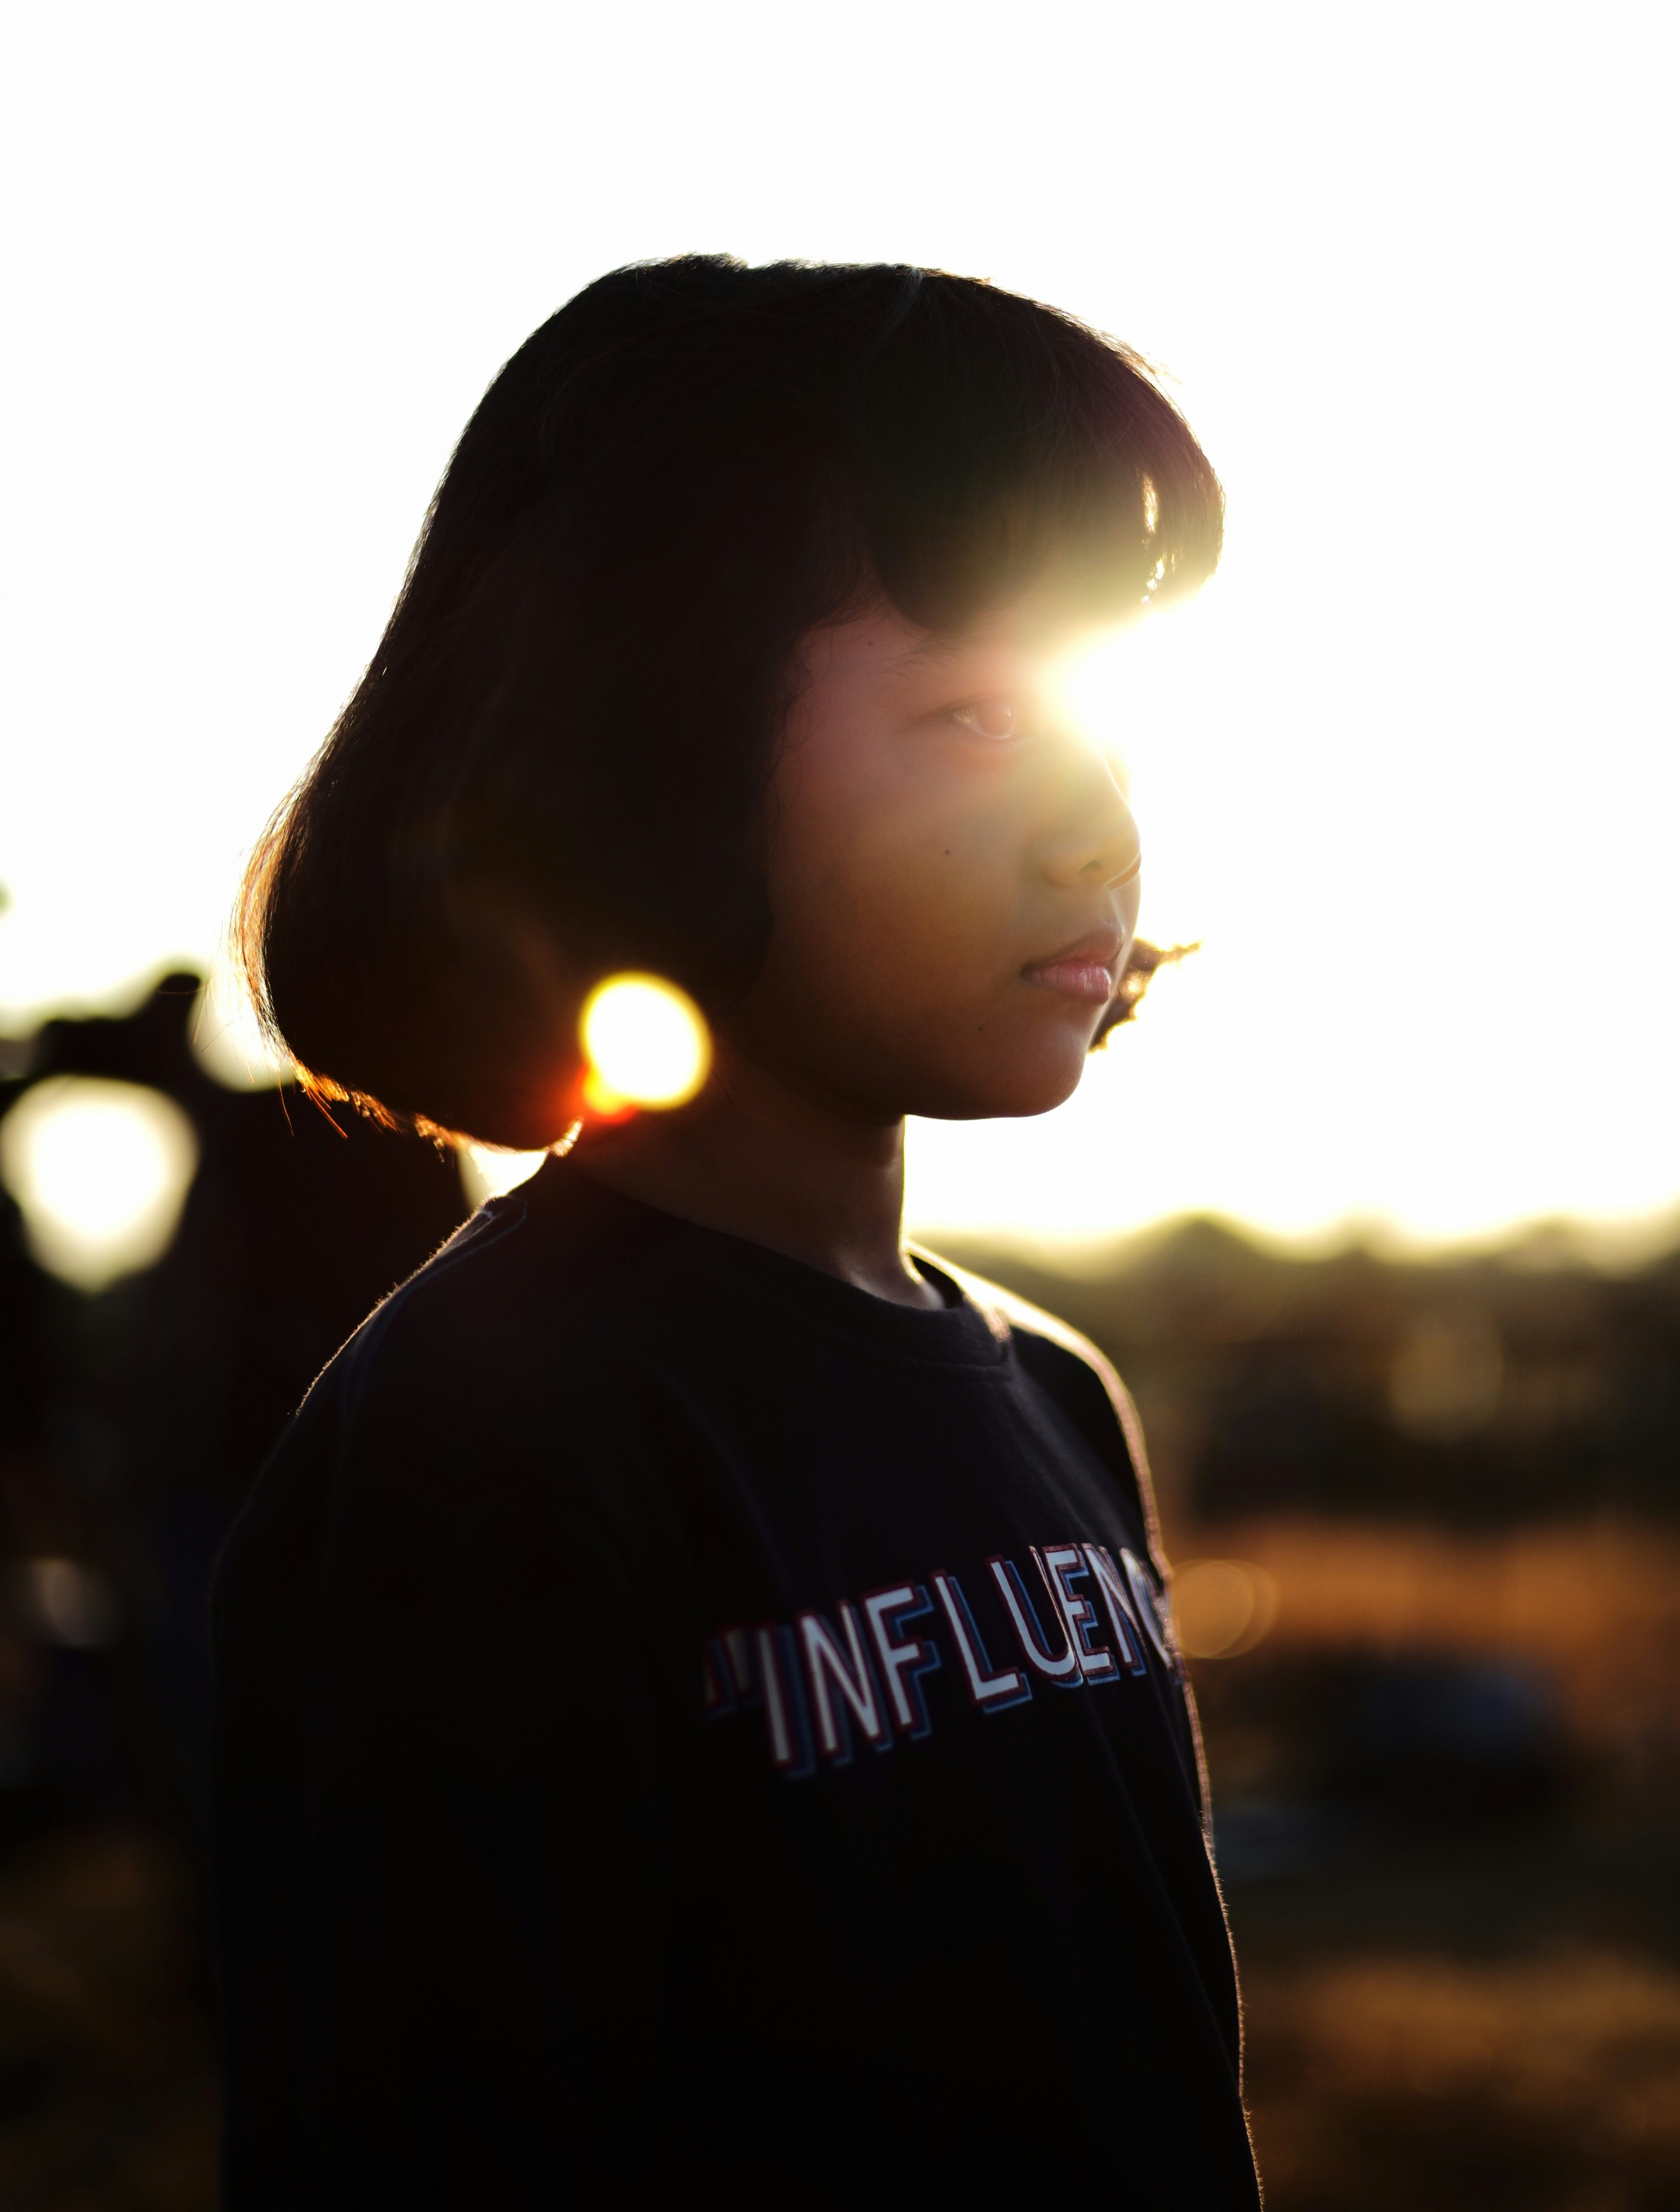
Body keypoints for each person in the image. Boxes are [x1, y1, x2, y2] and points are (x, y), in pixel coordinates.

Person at [211, 257, 1259, 2206]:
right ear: (645, 763)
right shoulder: (490, 1441)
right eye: (962, 717)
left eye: (1085, 719)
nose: (1094, 831)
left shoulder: (1055, 1395)